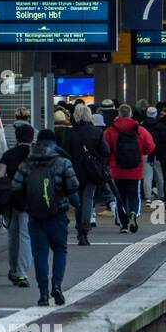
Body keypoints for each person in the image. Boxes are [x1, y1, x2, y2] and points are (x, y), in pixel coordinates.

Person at [11, 128, 80, 306]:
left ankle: (43, 294)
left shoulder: (26, 163)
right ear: (54, 143)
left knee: (40, 254)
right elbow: (73, 186)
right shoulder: (63, 162)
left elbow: (16, 187)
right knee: (60, 250)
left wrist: (26, 204)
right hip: (58, 215)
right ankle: (56, 285)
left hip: (35, 216)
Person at [104, 104, 156, 234]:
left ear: (119, 114)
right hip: (135, 168)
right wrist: (141, 153)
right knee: (134, 194)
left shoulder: (110, 130)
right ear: (131, 114)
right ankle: (133, 212)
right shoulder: (140, 130)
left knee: (119, 196)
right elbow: (150, 146)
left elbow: (104, 148)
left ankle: (123, 225)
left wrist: (110, 160)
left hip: (117, 169)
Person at [64, 103, 110, 247]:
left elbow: (65, 152)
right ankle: (84, 230)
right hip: (92, 171)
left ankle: (79, 227)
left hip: (74, 171)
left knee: (78, 200)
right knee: (88, 199)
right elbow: (105, 151)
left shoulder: (70, 133)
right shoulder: (96, 132)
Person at [0, 122, 35, 287]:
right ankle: (22, 273)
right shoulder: (35, 155)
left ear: (17, 137)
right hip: (29, 200)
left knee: (12, 236)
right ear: (32, 137)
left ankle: (13, 271)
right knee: (26, 235)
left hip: (10, 200)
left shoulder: (8, 154)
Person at [141, 105, 163, 208]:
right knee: (159, 176)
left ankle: (148, 198)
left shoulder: (141, 126)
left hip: (145, 153)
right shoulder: (159, 125)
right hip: (158, 153)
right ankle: (161, 196)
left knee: (147, 177)